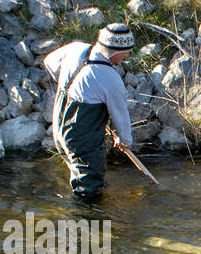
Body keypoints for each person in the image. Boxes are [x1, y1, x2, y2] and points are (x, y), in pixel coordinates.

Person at [45, 23, 136, 201]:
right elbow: (121, 116)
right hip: (82, 138)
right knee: (88, 189)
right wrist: (125, 141)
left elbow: (49, 62)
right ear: (111, 51)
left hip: (59, 125)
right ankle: (85, 222)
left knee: (77, 170)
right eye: (124, 52)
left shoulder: (76, 48)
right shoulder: (109, 78)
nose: (127, 55)